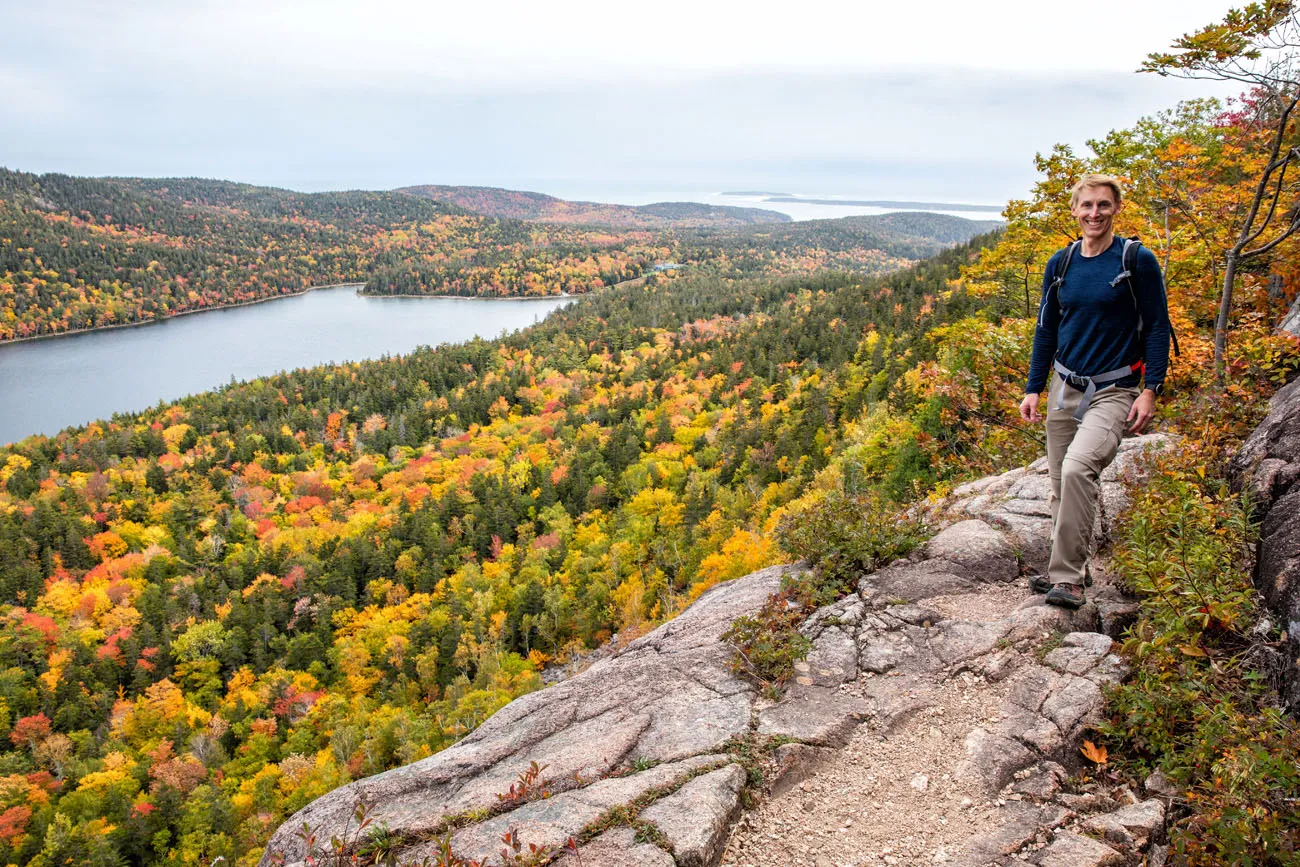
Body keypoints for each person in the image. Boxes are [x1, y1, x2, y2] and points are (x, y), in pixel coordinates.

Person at [1018, 174, 1171, 609]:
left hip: (1115, 388)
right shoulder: (1061, 264)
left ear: (1116, 208)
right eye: (1087, 206)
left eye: (1103, 205)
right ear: (1074, 210)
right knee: (1057, 481)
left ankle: (1067, 579)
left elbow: (1159, 326)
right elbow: (1046, 329)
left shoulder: (1135, 260)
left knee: (1077, 468)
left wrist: (1151, 389)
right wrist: (1033, 388)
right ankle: (1064, 565)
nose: (1094, 213)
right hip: (1064, 384)